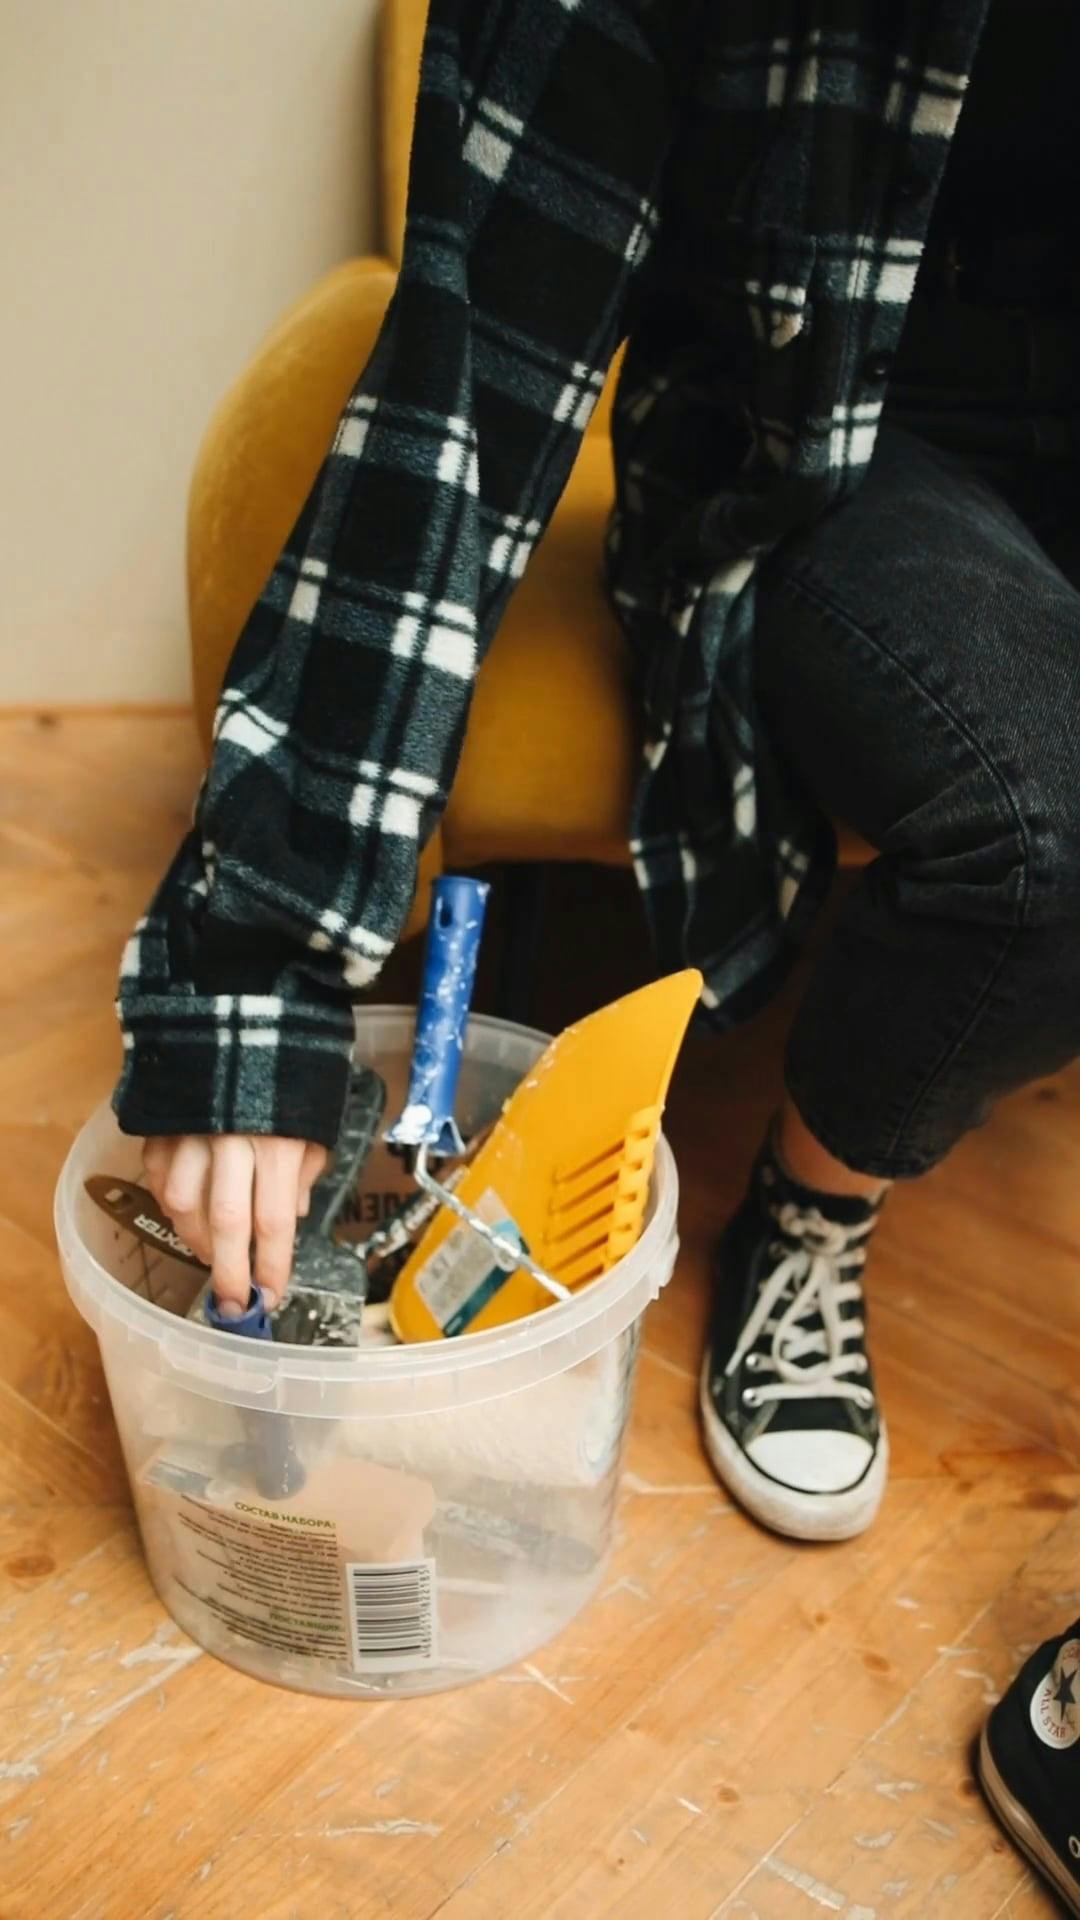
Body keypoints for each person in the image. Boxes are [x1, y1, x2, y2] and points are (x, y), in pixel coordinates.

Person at [113, 2, 1079, 1902]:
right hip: (855, 451)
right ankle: (808, 1215)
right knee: (1046, 836)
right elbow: (459, 396)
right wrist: (255, 964)